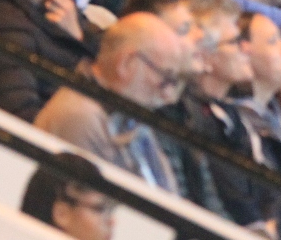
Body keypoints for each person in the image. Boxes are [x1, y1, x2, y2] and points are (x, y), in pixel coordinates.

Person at [34, 11, 190, 195]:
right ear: (126, 63)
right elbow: (90, 210)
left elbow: (169, 194)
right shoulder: (80, 116)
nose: (168, 95)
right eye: (165, 77)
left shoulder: (126, 116)